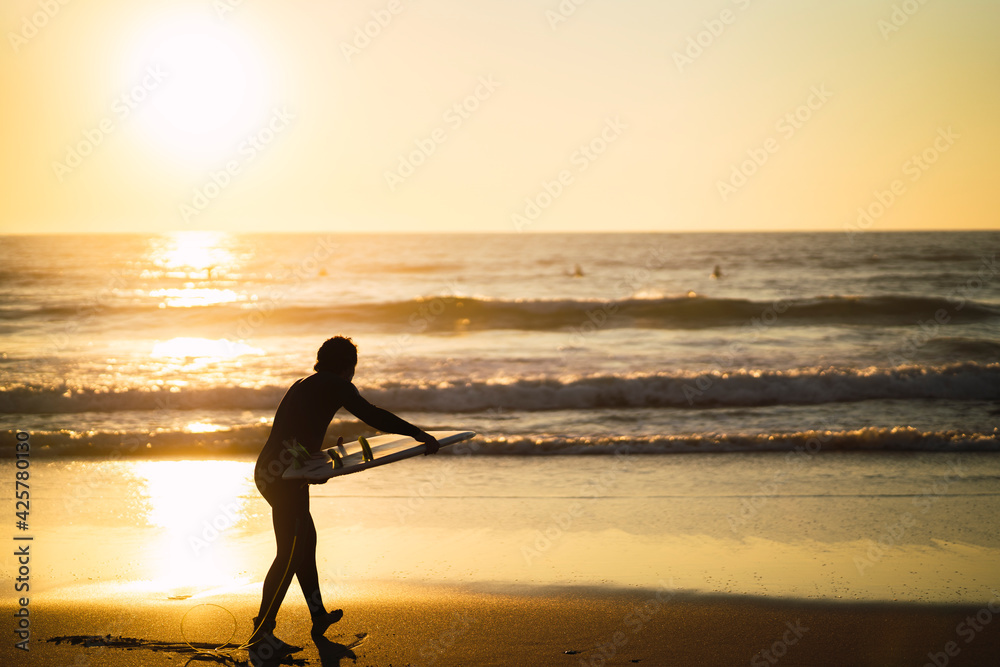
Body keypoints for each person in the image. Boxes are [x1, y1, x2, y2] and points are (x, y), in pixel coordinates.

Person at [249, 336, 440, 656]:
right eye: (353, 369)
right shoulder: (336, 384)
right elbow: (373, 415)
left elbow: (294, 436)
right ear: (346, 366)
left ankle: (318, 615)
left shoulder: (306, 382)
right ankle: (262, 631)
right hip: (282, 476)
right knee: (291, 552)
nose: (353, 376)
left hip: (277, 471)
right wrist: (418, 434)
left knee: (304, 544)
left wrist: (316, 463)